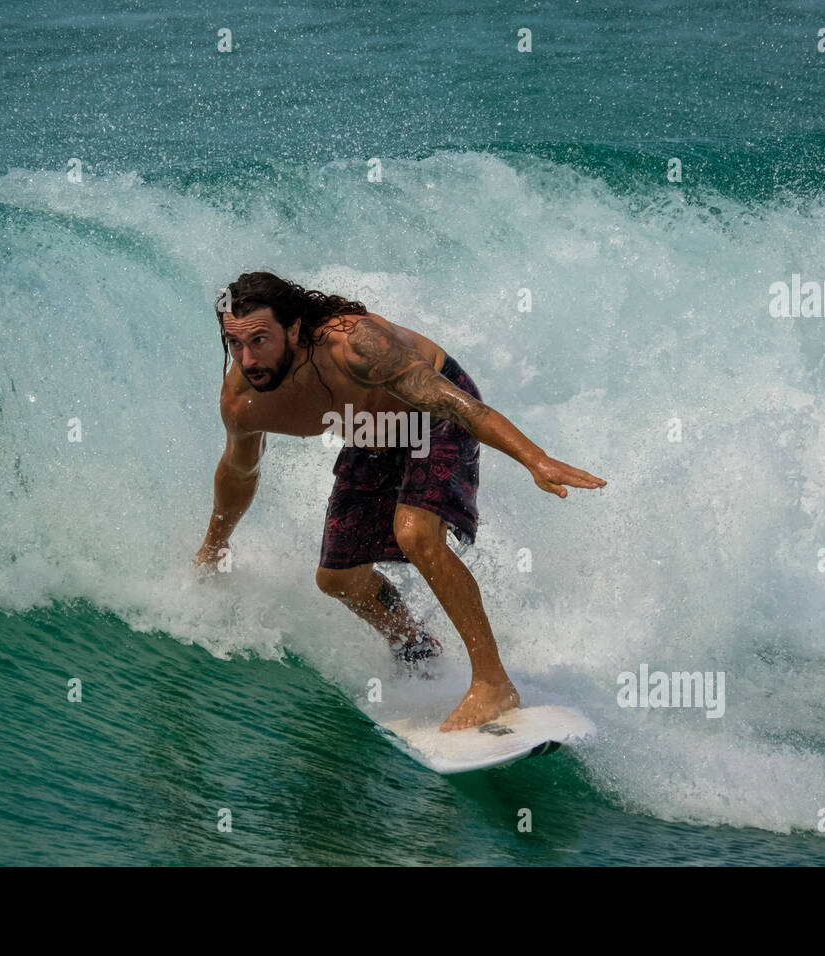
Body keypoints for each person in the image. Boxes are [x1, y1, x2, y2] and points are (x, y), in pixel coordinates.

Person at [193, 272, 606, 731]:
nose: (248, 359)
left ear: (293, 328)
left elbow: (458, 406)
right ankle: (416, 647)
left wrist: (535, 459)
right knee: (337, 578)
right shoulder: (243, 402)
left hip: (434, 415)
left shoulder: (356, 346)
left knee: (415, 534)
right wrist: (215, 544)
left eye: (260, 340)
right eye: (234, 344)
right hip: (371, 435)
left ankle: (493, 684)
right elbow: (239, 471)